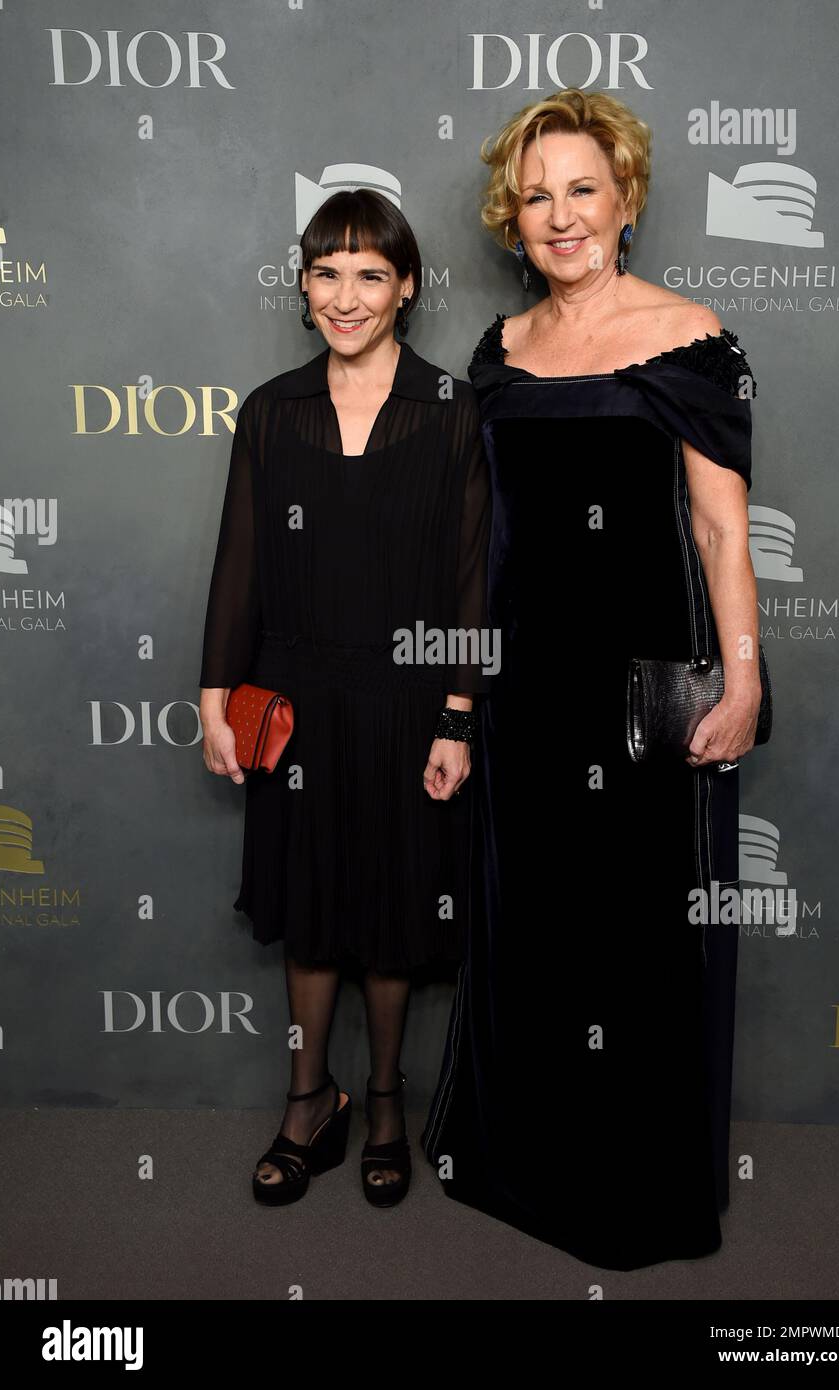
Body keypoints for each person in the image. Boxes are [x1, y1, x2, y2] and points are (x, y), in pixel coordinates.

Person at [422, 87, 764, 1269]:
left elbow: (722, 533)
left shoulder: (689, 336)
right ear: (508, 219)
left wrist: (743, 680)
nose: (558, 215)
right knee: (536, 927)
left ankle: (627, 1186)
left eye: (581, 189)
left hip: (634, 689)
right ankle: (528, 1163)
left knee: (628, 936)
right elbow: (481, 545)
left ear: (624, 200)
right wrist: (461, 701)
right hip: (524, 688)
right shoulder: (499, 352)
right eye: (534, 196)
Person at [198, 189, 491, 1208]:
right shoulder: (271, 410)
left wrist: (458, 713)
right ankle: (304, 1099)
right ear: (304, 286)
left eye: (370, 273)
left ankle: (381, 1103)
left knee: (395, 912)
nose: (347, 295)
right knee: (314, 912)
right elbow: (238, 565)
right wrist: (213, 697)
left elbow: (468, 579)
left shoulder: (453, 412)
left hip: (410, 699)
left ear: (406, 285)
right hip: (294, 696)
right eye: (327, 273)